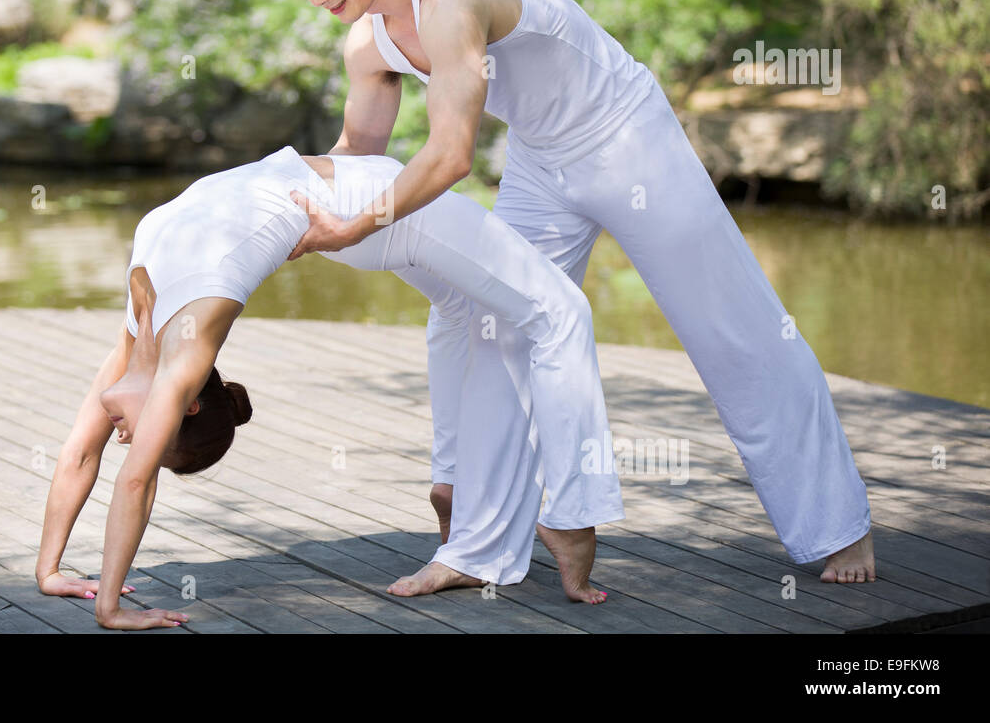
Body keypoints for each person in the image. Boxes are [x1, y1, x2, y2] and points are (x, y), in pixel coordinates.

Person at [258, 0, 876, 584]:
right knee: (500, 326)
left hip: (626, 140)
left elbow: (451, 155)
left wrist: (351, 229)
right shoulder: (367, 46)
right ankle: (477, 549)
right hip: (539, 161)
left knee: (737, 331)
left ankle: (838, 528)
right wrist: (275, 198)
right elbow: (357, 159)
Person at [36, 145, 620, 630]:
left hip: (372, 207)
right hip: (343, 215)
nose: (125, 442)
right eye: (146, 440)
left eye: (149, 440)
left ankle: (568, 512)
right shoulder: (144, 345)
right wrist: (49, 571)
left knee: (559, 311)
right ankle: (457, 489)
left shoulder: (179, 358)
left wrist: (110, 609)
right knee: (479, 311)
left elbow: (134, 480)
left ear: (186, 405)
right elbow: (81, 451)